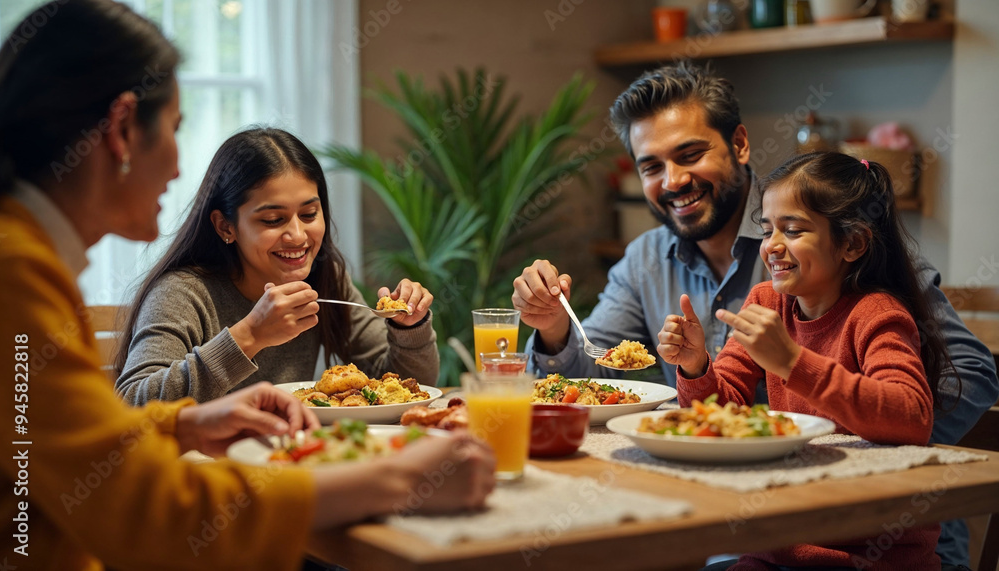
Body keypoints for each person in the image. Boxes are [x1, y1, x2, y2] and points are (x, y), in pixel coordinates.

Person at [0, 2, 494, 570]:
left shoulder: (27, 261)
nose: (181, 167)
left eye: (309, 212)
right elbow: (143, 508)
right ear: (122, 129)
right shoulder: (16, 276)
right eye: (176, 129)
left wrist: (183, 423)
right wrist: (392, 480)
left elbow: (74, 453)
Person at [511, 61, 998, 568]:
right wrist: (553, 329)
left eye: (690, 153)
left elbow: (969, 376)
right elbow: (602, 376)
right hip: (745, 530)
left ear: (739, 144)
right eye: (651, 166)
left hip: (876, 535)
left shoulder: (852, 251)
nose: (673, 180)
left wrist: (838, 454)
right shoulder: (655, 263)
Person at [661, 151, 941, 568]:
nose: (771, 246)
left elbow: (911, 416)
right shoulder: (767, 302)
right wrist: (697, 366)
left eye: (792, 230)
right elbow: (723, 414)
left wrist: (793, 362)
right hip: (780, 541)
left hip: (868, 553)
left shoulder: (877, 314)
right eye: (767, 228)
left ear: (852, 243)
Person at [114, 127, 440, 405]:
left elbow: (411, 389)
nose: (298, 235)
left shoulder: (326, 279)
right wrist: (249, 336)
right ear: (225, 226)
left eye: (309, 214)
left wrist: (408, 328)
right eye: (273, 219)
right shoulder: (182, 293)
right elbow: (133, 404)